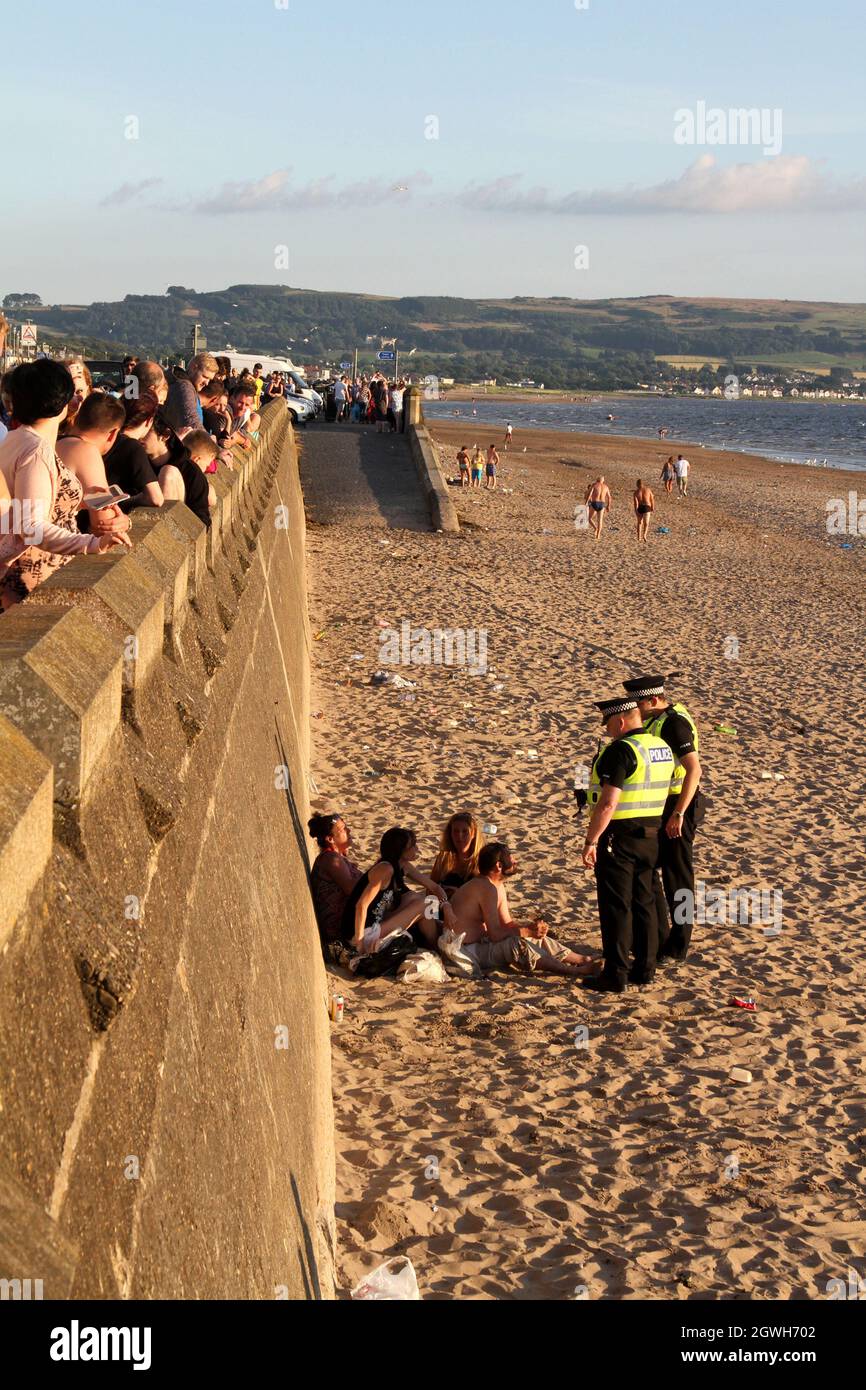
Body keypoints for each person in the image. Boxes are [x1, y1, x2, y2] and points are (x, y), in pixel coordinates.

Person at [0, 361, 130, 608]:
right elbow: (31, 527)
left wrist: (87, 500)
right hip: (28, 580)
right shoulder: (35, 451)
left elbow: (30, 501)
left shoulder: (15, 439)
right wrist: (92, 544)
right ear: (63, 403)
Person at [581, 697, 675, 992]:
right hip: (651, 835)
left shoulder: (621, 750)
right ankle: (645, 969)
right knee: (645, 901)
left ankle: (616, 974)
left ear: (620, 721)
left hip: (618, 838)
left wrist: (591, 840)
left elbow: (608, 803)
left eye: (609, 724)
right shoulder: (661, 748)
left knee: (616, 907)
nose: (608, 731)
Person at [622, 675, 704, 964]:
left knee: (678, 878)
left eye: (638, 703)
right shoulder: (656, 719)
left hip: (679, 805)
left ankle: (679, 945)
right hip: (662, 803)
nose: (635, 709)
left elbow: (694, 770)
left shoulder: (674, 723)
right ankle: (657, 936)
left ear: (654, 700)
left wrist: (679, 814)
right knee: (651, 868)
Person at [448, 843, 600, 978]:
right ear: (499, 866)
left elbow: (507, 924)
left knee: (532, 937)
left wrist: (531, 929)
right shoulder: (485, 888)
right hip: (464, 951)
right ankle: (573, 971)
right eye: (511, 859)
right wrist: (525, 931)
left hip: (478, 943)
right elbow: (495, 934)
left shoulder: (496, 885)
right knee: (517, 944)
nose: (515, 861)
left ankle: (581, 960)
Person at [341, 827, 452, 955]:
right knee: (425, 904)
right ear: (401, 850)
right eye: (413, 845)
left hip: (376, 923)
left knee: (413, 897)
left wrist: (446, 906)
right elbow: (361, 905)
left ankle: (433, 941)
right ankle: (438, 949)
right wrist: (359, 944)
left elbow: (435, 887)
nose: (417, 848)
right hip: (361, 933)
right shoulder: (385, 869)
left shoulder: (402, 865)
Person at [56, 392, 132, 542]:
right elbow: (104, 525)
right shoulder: (86, 452)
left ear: (78, 418)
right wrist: (127, 522)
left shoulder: (55, 442)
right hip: (56, 551)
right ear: (113, 434)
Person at [308, 812, 363, 946]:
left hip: (350, 920)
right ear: (330, 839)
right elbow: (351, 889)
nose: (348, 830)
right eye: (343, 829)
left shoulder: (337, 857)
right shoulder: (330, 858)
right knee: (415, 904)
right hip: (341, 930)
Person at [105, 390, 164, 511]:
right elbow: (156, 498)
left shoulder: (107, 438)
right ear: (149, 421)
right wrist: (129, 500)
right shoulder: (133, 447)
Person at [157, 428, 217, 529]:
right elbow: (211, 501)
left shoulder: (171, 460)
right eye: (206, 466)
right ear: (197, 460)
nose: (206, 470)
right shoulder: (194, 476)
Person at [163, 353, 218, 437]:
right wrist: (210, 444)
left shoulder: (177, 381)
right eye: (205, 377)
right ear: (193, 368)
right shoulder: (185, 387)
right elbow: (191, 421)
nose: (207, 383)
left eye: (209, 380)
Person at [431, 812, 483, 893]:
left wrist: (458, 892)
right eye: (455, 831)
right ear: (450, 834)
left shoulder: (481, 860)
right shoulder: (444, 857)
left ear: (473, 834)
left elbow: (486, 894)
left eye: (465, 831)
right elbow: (430, 888)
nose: (460, 836)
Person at [585, 476, 612, 541]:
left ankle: (595, 528)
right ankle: (598, 535)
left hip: (595, 503)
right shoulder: (606, 487)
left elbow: (590, 494)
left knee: (589, 518)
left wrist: (586, 502)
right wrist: (608, 506)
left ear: (597, 480)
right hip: (602, 504)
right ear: (603, 481)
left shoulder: (594, 485)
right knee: (600, 520)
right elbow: (609, 497)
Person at [633, 478, 655, 542]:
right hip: (647, 506)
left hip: (640, 507)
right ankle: (644, 535)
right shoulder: (648, 490)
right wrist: (653, 507)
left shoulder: (636, 492)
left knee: (639, 523)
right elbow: (652, 499)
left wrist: (636, 510)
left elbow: (636, 503)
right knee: (646, 523)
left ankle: (639, 537)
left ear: (637, 484)